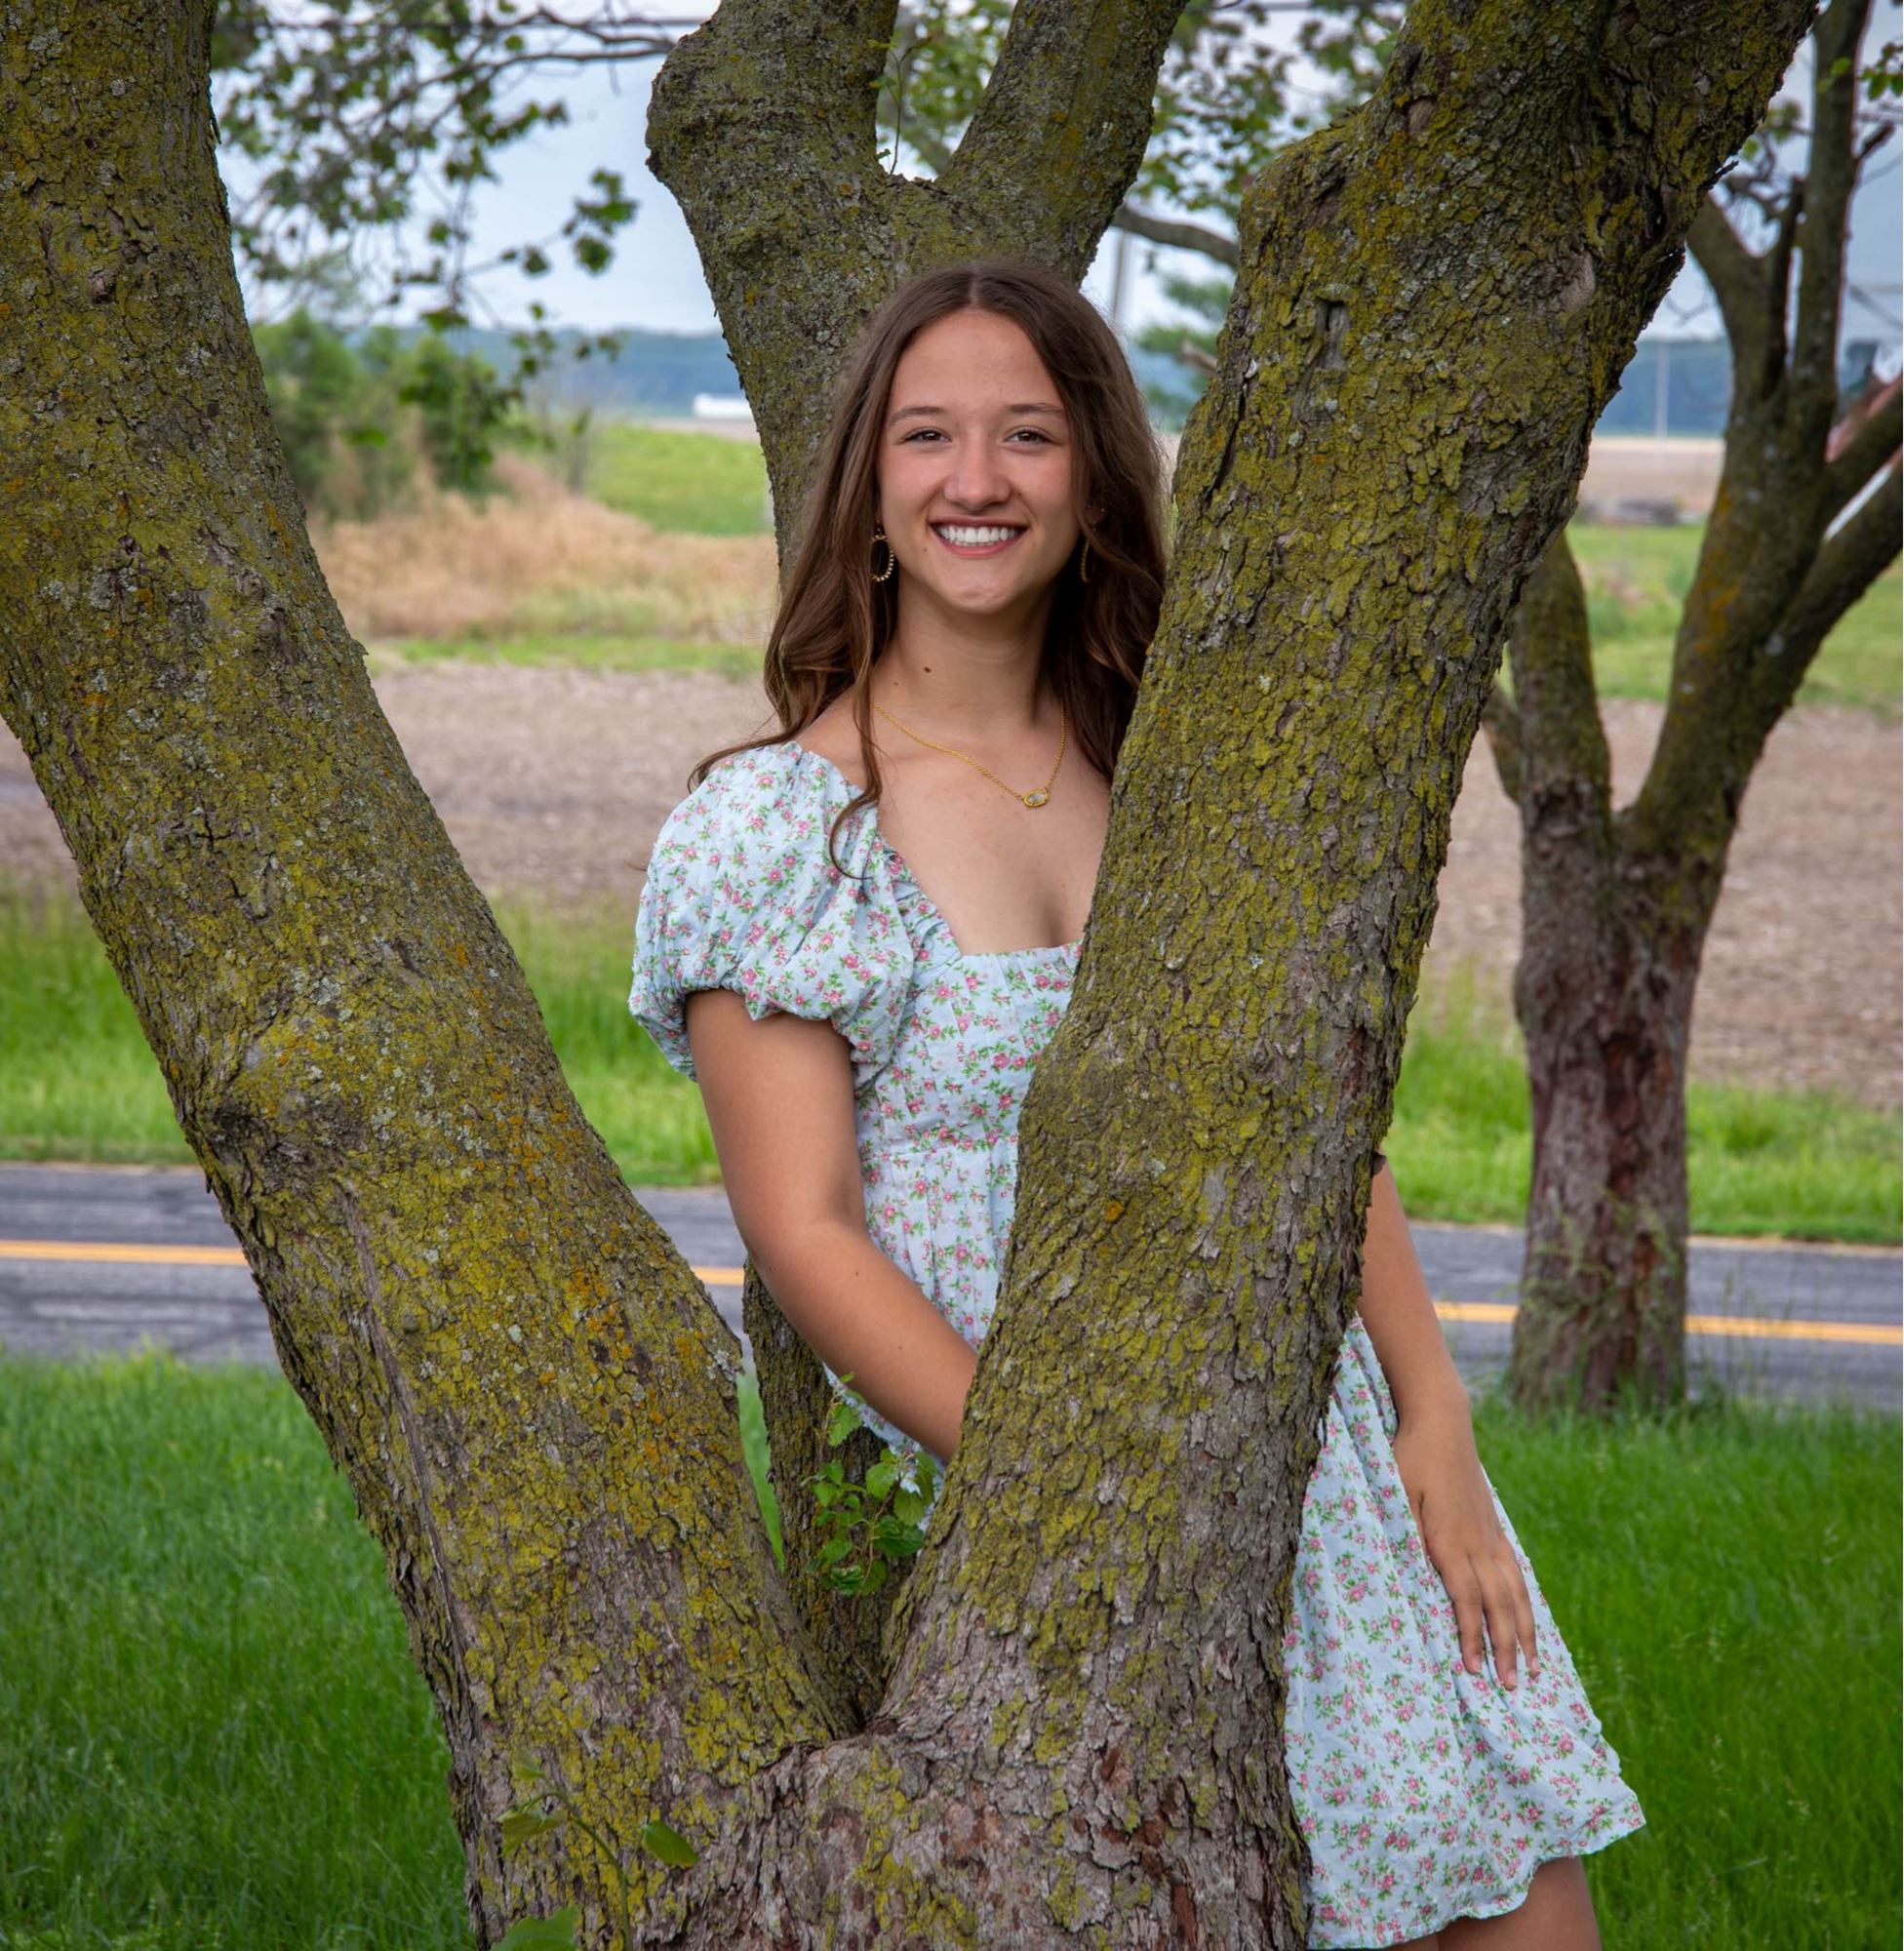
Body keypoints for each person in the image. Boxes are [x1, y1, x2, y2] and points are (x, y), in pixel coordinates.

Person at [629, 258, 1644, 1949]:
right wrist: (1064, 1491)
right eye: (928, 436)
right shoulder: (779, 832)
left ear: (1093, 475)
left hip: (1299, 1450)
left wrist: (1435, 1418)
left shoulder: (1175, 783)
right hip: (1045, 1500)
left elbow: (1304, 1131)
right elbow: (802, 1233)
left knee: (1522, 1919)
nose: (977, 480)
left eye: (1027, 435)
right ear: (866, 492)